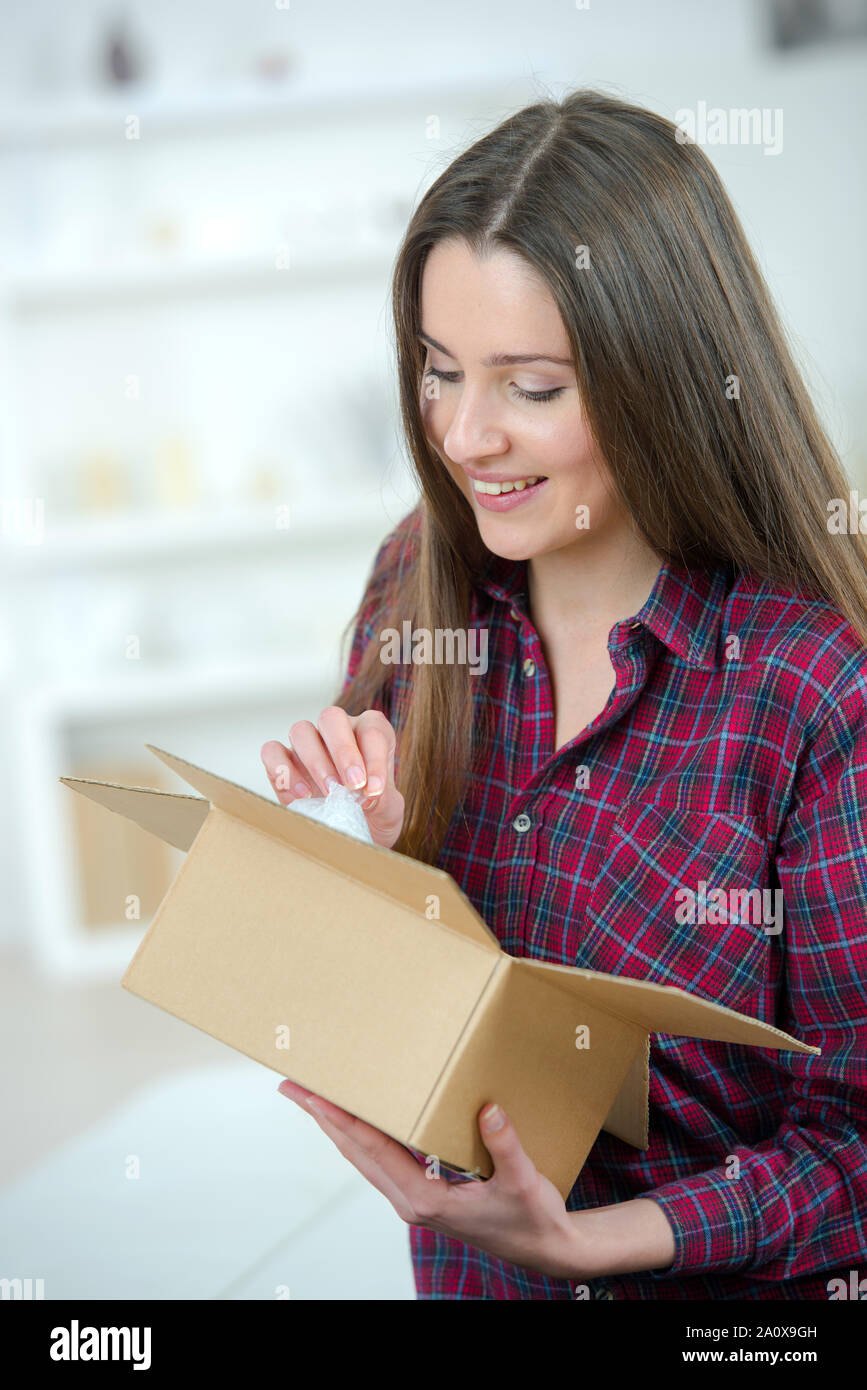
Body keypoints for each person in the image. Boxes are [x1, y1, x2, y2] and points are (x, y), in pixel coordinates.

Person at [261, 88, 867, 1300]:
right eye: (439, 372)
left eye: (530, 387)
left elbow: (853, 1143)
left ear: (666, 376)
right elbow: (404, 1019)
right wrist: (362, 863)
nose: (463, 436)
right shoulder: (416, 583)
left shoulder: (813, 685)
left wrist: (599, 1238)